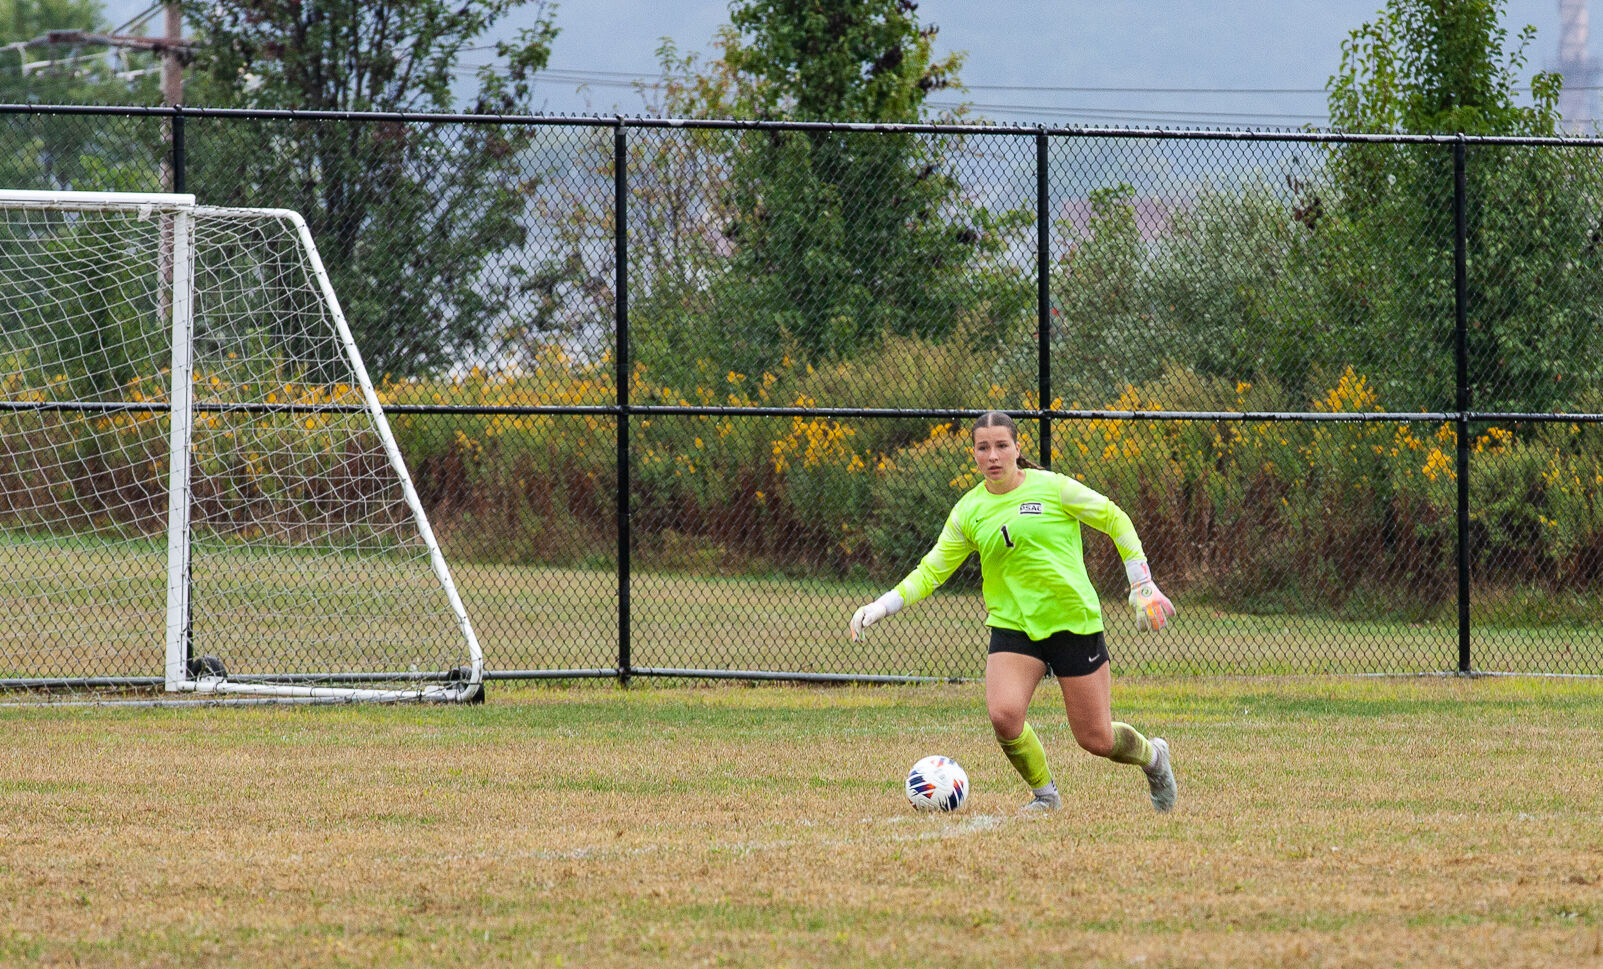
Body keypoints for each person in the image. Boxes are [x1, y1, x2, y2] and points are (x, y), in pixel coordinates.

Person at [850, 410, 1179, 814]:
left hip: (1072, 622)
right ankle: (1046, 796)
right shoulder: (968, 511)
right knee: (1004, 716)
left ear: (1017, 449)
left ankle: (1154, 759)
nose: (993, 455)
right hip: (1014, 628)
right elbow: (930, 572)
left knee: (1096, 739)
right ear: (973, 454)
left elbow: (1114, 518)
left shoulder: (1053, 488)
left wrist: (1141, 581)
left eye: (1001, 446)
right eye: (983, 447)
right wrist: (880, 606)